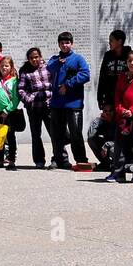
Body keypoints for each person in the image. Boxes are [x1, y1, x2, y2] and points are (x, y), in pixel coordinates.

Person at [45, 31, 93, 171]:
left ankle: (81, 161)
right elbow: (49, 69)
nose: (65, 45)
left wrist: (68, 84)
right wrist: (58, 63)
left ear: (72, 44)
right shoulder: (55, 59)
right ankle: (60, 160)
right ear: (59, 44)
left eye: (67, 43)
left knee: (76, 133)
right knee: (56, 133)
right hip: (56, 103)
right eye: (62, 43)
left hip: (73, 103)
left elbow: (85, 75)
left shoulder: (78, 59)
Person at [105, 49, 133, 183]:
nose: (132, 63)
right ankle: (118, 173)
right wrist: (120, 109)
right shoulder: (122, 77)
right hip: (122, 118)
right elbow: (117, 96)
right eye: (129, 61)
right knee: (119, 147)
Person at [95, 30, 131, 170]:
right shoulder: (108, 55)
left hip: (124, 100)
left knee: (123, 129)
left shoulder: (129, 55)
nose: (109, 43)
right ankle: (108, 161)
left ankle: (125, 161)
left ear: (120, 41)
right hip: (110, 98)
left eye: (111, 40)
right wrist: (100, 97)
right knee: (109, 130)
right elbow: (103, 76)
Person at [18, 47, 54, 169]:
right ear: (28, 59)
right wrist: (29, 100)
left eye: (36, 57)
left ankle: (59, 158)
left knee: (54, 133)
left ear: (40, 57)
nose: (34, 60)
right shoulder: (25, 71)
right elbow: (21, 89)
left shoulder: (49, 67)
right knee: (36, 134)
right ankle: (39, 160)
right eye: (32, 58)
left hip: (48, 105)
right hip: (34, 108)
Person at [0, 56, 20, 170]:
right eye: (2, 66)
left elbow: (16, 99)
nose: (4, 68)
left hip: (9, 113)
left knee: (10, 137)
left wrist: (7, 110)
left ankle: (11, 160)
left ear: (11, 67)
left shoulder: (14, 81)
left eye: (6, 66)